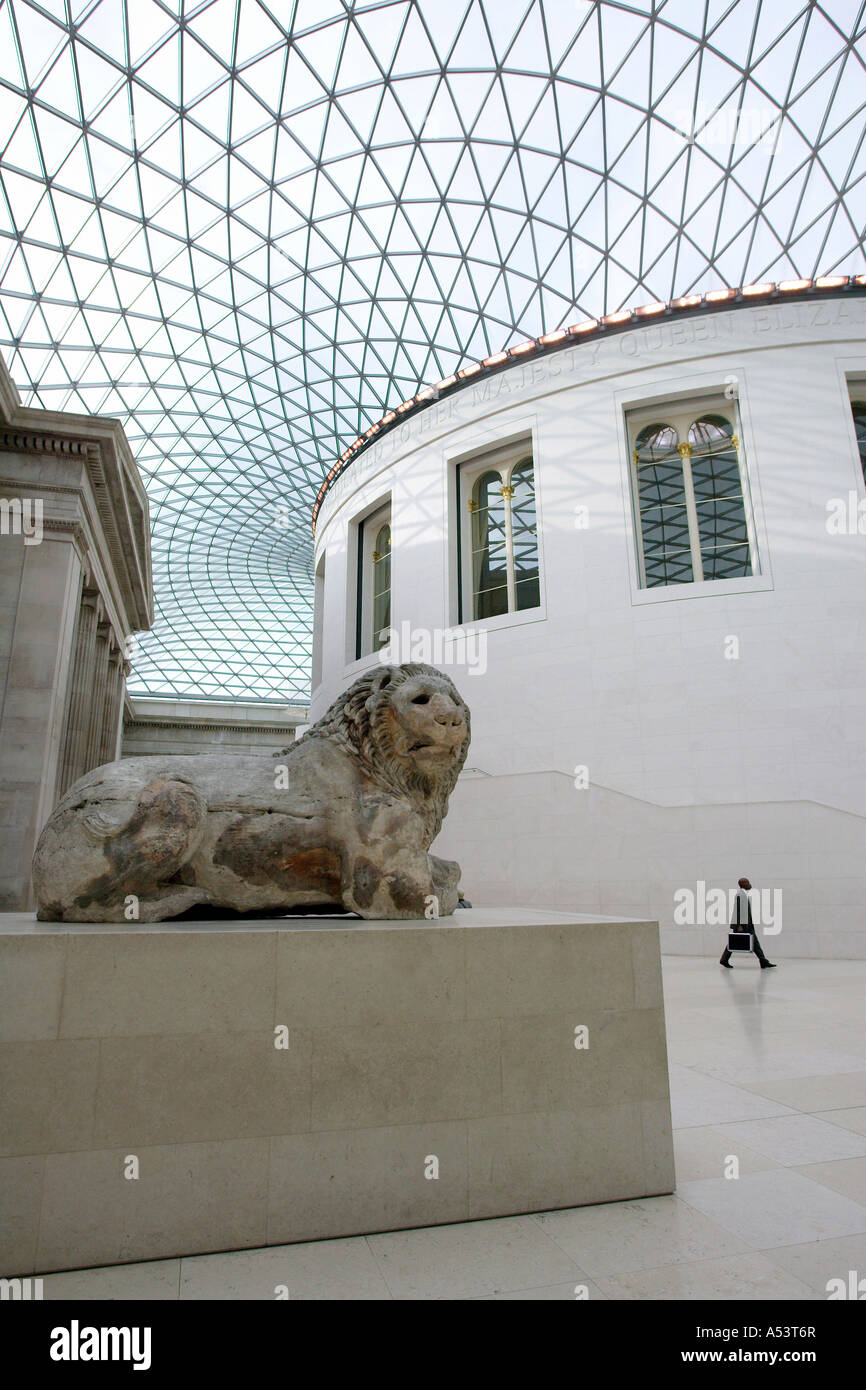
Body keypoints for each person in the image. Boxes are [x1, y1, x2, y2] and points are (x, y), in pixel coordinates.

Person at [719, 877, 777, 968]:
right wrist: (739, 925)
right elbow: (738, 910)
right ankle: (724, 959)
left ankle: (763, 961)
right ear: (743, 884)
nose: (750, 884)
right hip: (743, 925)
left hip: (746, 925)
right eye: (747, 883)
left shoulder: (743, 894)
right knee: (734, 941)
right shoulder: (740, 895)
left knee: (752, 943)